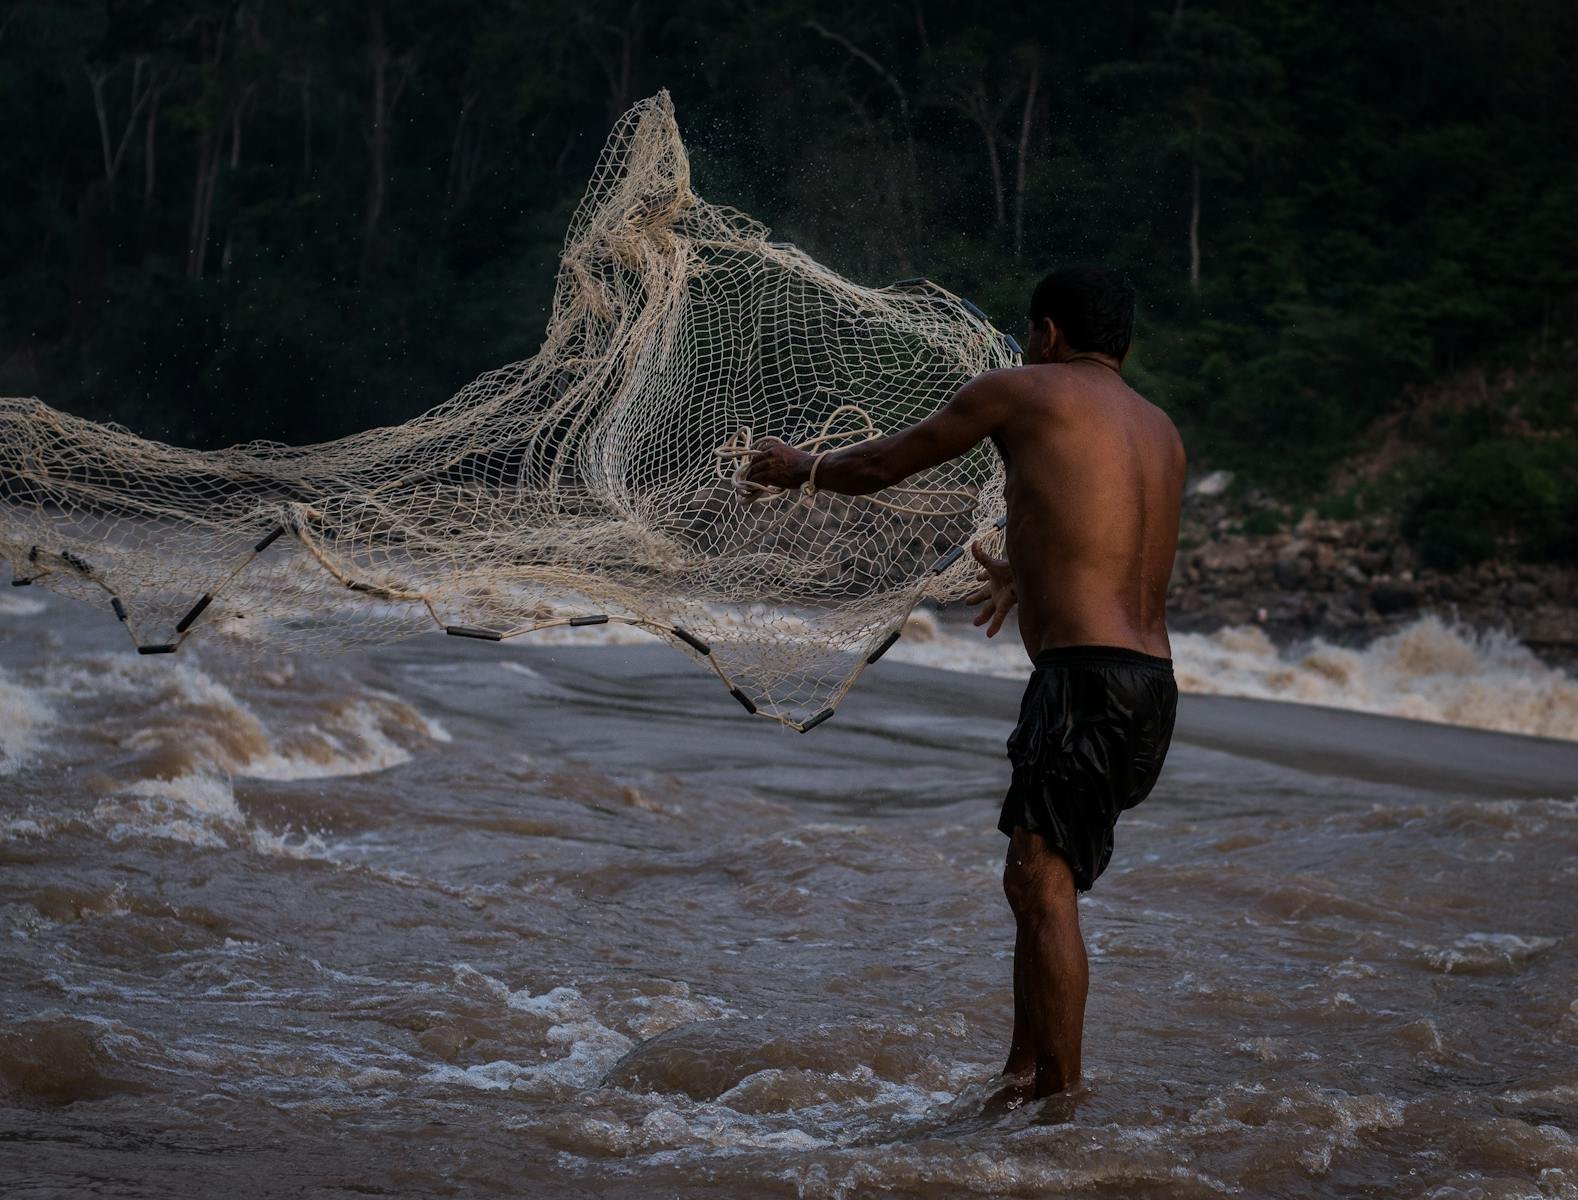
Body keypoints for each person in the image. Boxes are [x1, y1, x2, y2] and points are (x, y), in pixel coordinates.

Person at [744, 265, 1185, 1101]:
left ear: (1048, 332)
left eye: (1032, 332)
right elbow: (1119, 540)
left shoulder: (1022, 390)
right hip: (1150, 685)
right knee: (1034, 875)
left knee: (1041, 883)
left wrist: (803, 465)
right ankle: (1021, 1077)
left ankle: (1058, 1105)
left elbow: (881, 467)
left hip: (1082, 681)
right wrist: (1027, 571)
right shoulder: (1160, 430)